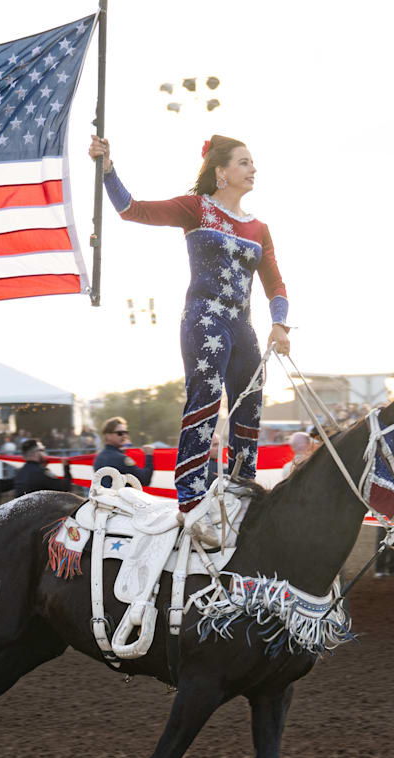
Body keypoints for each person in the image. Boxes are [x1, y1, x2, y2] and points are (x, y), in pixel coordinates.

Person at [88, 133, 291, 513]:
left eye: (252, 162)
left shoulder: (258, 227)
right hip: (205, 317)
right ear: (222, 171)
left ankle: (241, 485)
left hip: (242, 325)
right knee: (208, 396)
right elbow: (133, 210)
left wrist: (279, 323)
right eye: (244, 162)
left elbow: (275, 283)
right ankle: (191, 492)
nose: (253, 169)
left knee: (250, 403)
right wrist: (108, 170)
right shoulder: (196, 209)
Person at [92, 417, 155, 487]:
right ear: (108, 436)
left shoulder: (99, 457)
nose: (124, 436)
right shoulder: (121, 458)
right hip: (120, 497)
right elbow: (145, 480)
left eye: (126, 433)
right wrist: (149, 455)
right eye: (120, 433)